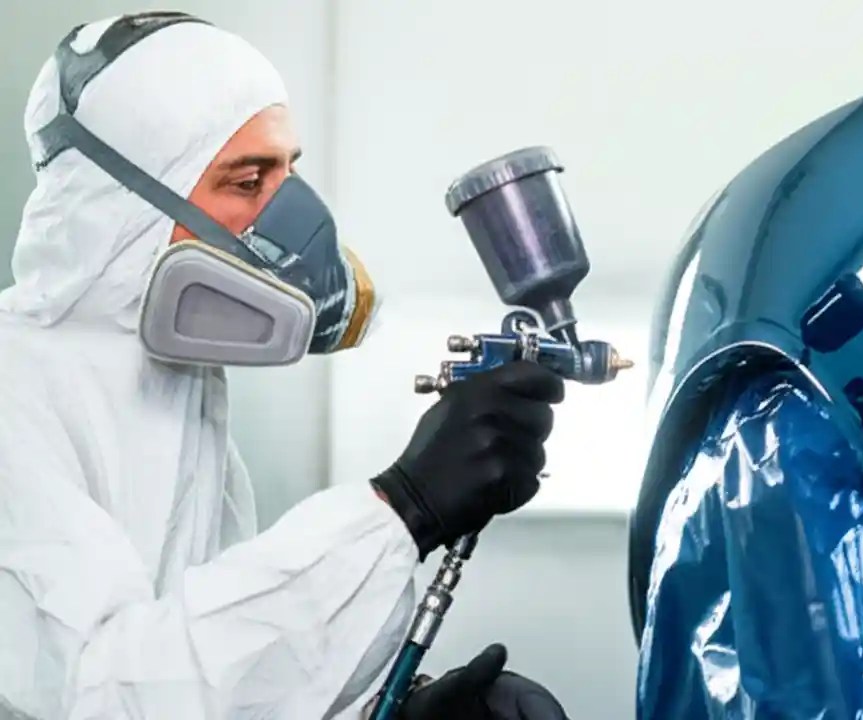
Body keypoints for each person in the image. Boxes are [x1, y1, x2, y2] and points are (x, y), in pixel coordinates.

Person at [0, 12, 569, 720]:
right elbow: (104, 696)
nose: (290, 219)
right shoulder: (14, 395)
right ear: (125, 209)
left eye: (288, 173)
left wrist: (398, 710)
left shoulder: (181, 393)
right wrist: (399, 512)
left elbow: (219, 674)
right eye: (247, 182)